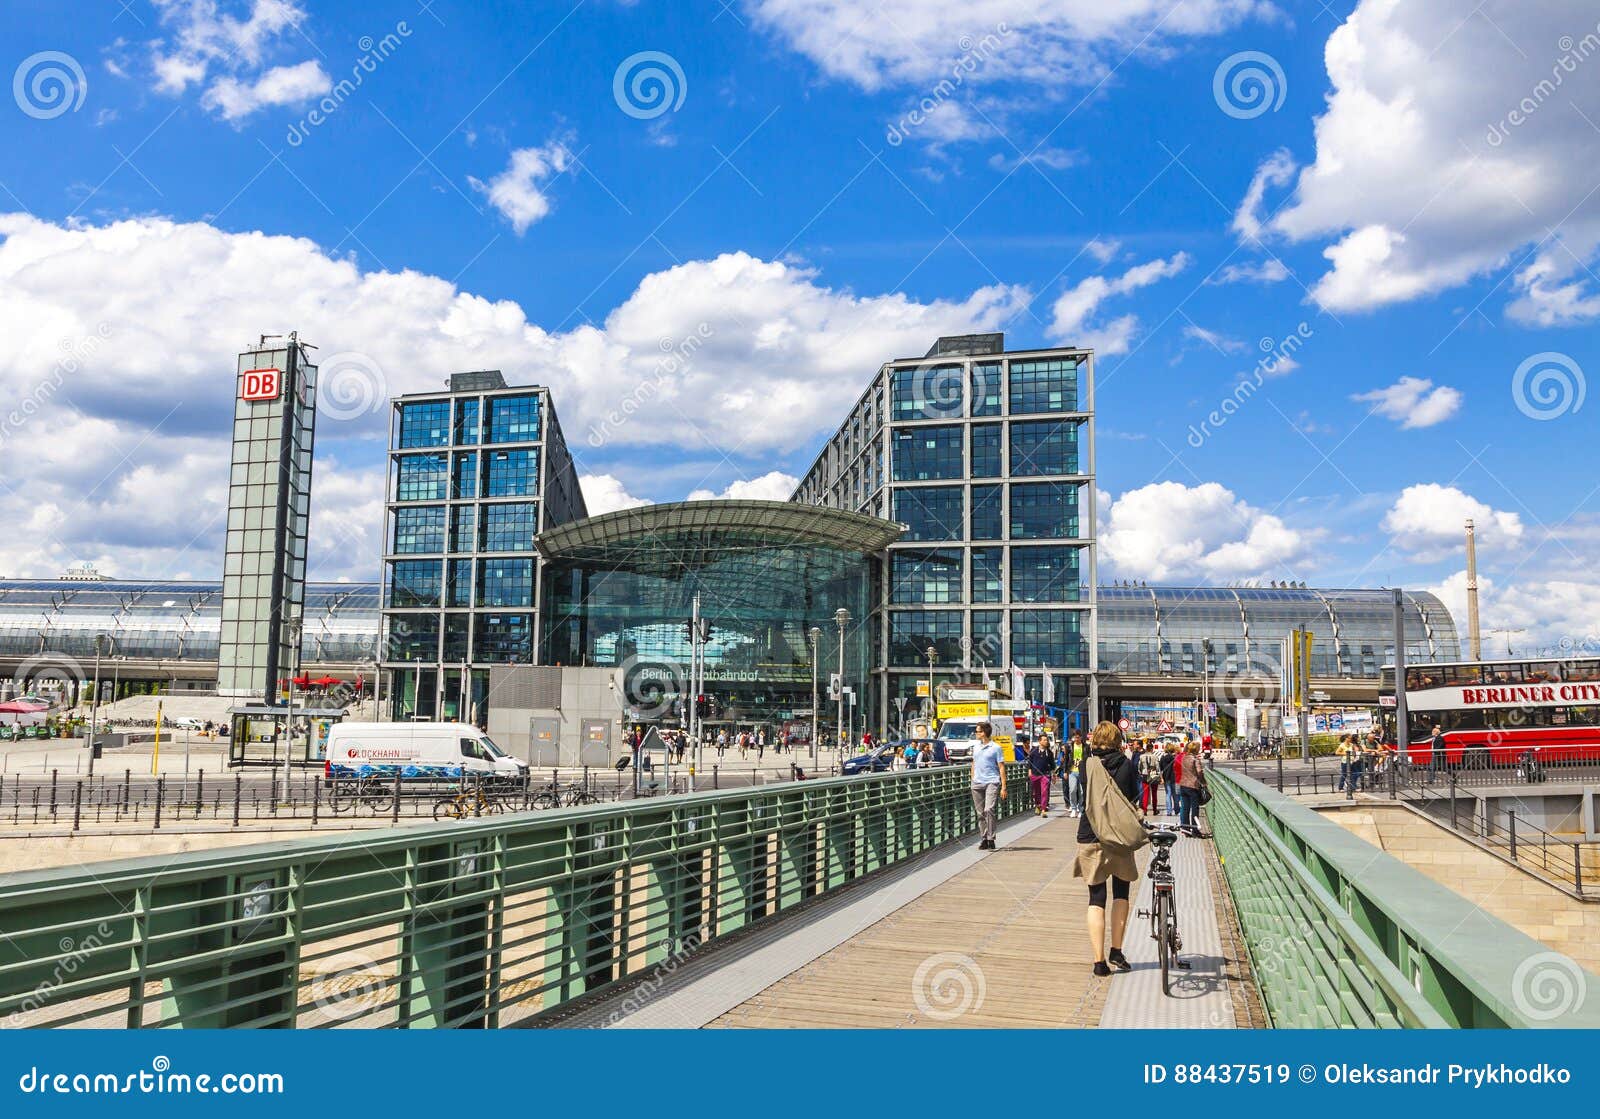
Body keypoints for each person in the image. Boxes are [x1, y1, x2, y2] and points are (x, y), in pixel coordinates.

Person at [1073, 721, 1140, 977]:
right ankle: (1117, 950)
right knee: (1121, 893)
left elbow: (1085, 794)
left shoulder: (1086, 765)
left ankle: (1099, 962)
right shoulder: (1126, 764)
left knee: (1096, 898)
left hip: (1090, 834)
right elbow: (1133, 796)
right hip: (1119, 836)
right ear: (1117, 740)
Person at [970, 721, 1007, 851]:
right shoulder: (976, 747)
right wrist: (972, 778)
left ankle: (991, 838)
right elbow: (974, 763)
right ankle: (984, 838)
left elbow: (1001, 767)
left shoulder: (996, 748)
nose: (976, 733)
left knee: (989, 809)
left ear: (984, 732)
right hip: (977, 782)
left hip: (992, 781)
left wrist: (1003, 786)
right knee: (980, 813)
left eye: (978, 731)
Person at [1176, 741, 1207, 835]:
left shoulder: (1183, 758)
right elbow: (1199, 772)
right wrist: (1203, 782)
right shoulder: (1195, 759)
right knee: (1194, 809)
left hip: (1183, 785)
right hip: (1193, 786)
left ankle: (1186, 829)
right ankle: (1195, 829)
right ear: (1196, 749)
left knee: (1185, 808)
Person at [1027, 737, 1053, 817]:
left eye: (1047, 740)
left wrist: (1054, 774)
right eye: (1044, 740)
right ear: (1039, 741)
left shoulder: (1049, 752)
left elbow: (1052, 764)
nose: (1046, 741)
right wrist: (1029, 771)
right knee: (1036, 792)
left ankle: (1043, 809)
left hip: (1045, 774)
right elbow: (1030, 761)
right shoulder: (1034, 751)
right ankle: (1038, 805)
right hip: (1035, 774)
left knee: (1044, 791)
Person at [1138, 739, 1162, 814]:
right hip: (1153, 774)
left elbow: (1139, 767)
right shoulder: (1155, 757)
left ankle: (1145, 810)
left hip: (1145, 775)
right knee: (1154, 793)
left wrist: (1141, 773)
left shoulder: (1141, 756)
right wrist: (1160, 776)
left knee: (1146, 793)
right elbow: (1157, 767)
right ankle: (1155, 810)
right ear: (1152, 749)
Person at [1160, 741, 1180, 817]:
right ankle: (1177, 810)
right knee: (1175, 795)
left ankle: (1169, 811)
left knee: (1168, 794)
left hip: (1166, 778)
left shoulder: (1162, 758)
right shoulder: (1175, 758)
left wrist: (1162, 778)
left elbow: (1160, 769)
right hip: (1174, 778)